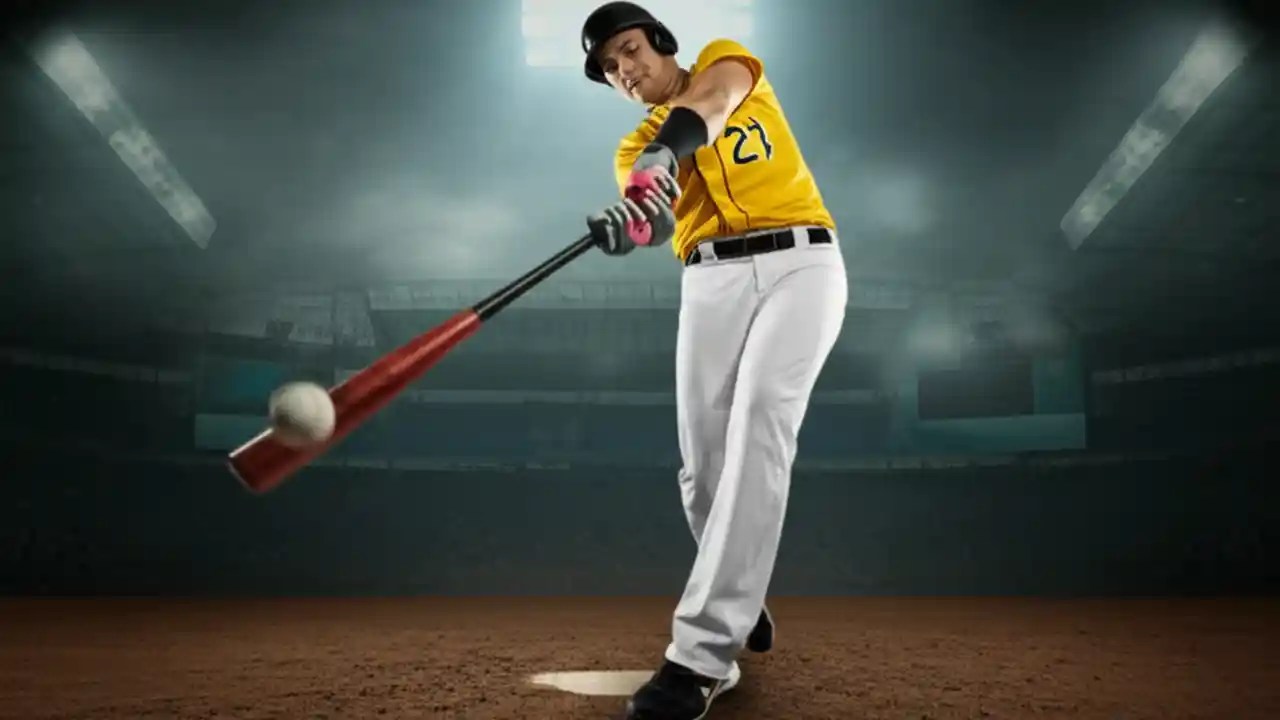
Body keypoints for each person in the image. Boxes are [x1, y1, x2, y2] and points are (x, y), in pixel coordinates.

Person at [581, 3, 848, 718]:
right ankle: (742, 592)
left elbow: (712, 104)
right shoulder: (632, 148)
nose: (624, 70)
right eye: (609, 67)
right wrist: (630, 226)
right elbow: (652, 219)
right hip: (709, 280)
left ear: (662, 41)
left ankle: (698, 660)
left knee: (762, 419)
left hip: (802, 262)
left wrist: (665, 156)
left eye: (630, 49)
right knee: (702, 471)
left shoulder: (727, 59)